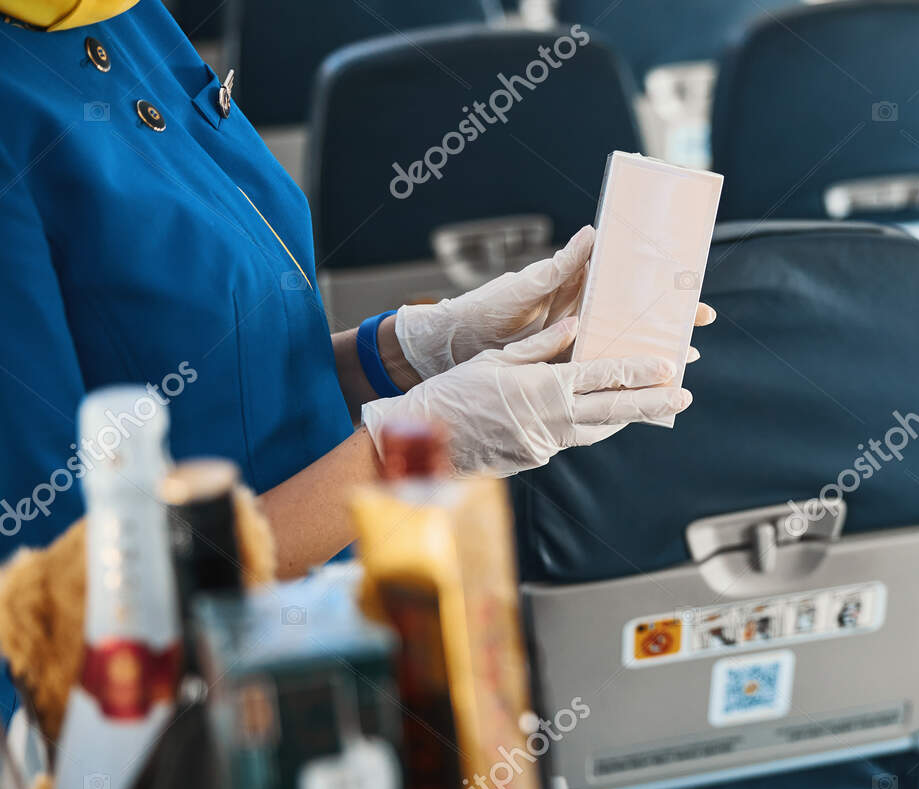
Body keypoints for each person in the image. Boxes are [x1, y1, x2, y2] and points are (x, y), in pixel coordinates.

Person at [0, 1, 709, 725]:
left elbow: (220, 377)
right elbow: (79, 621)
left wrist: (412, 351)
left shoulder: (120, 15)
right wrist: (409, 449)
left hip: (335, 624)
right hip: (201, 728)